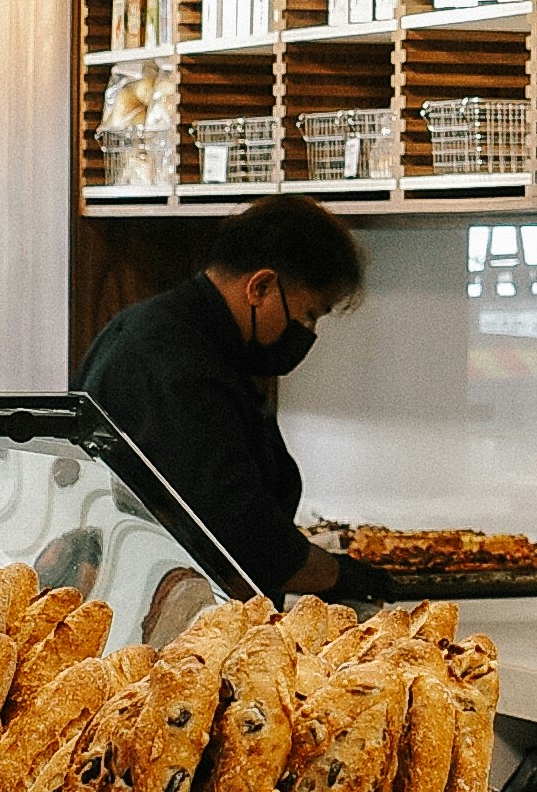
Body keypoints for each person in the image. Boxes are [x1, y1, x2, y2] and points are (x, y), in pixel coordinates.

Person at [76, 194, 364, 605]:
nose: (306, 331)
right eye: (308, 315)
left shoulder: (164, 331)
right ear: (261, 287)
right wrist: (341, 576)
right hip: (158, 616)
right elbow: (238, 532)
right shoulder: (180, 361)